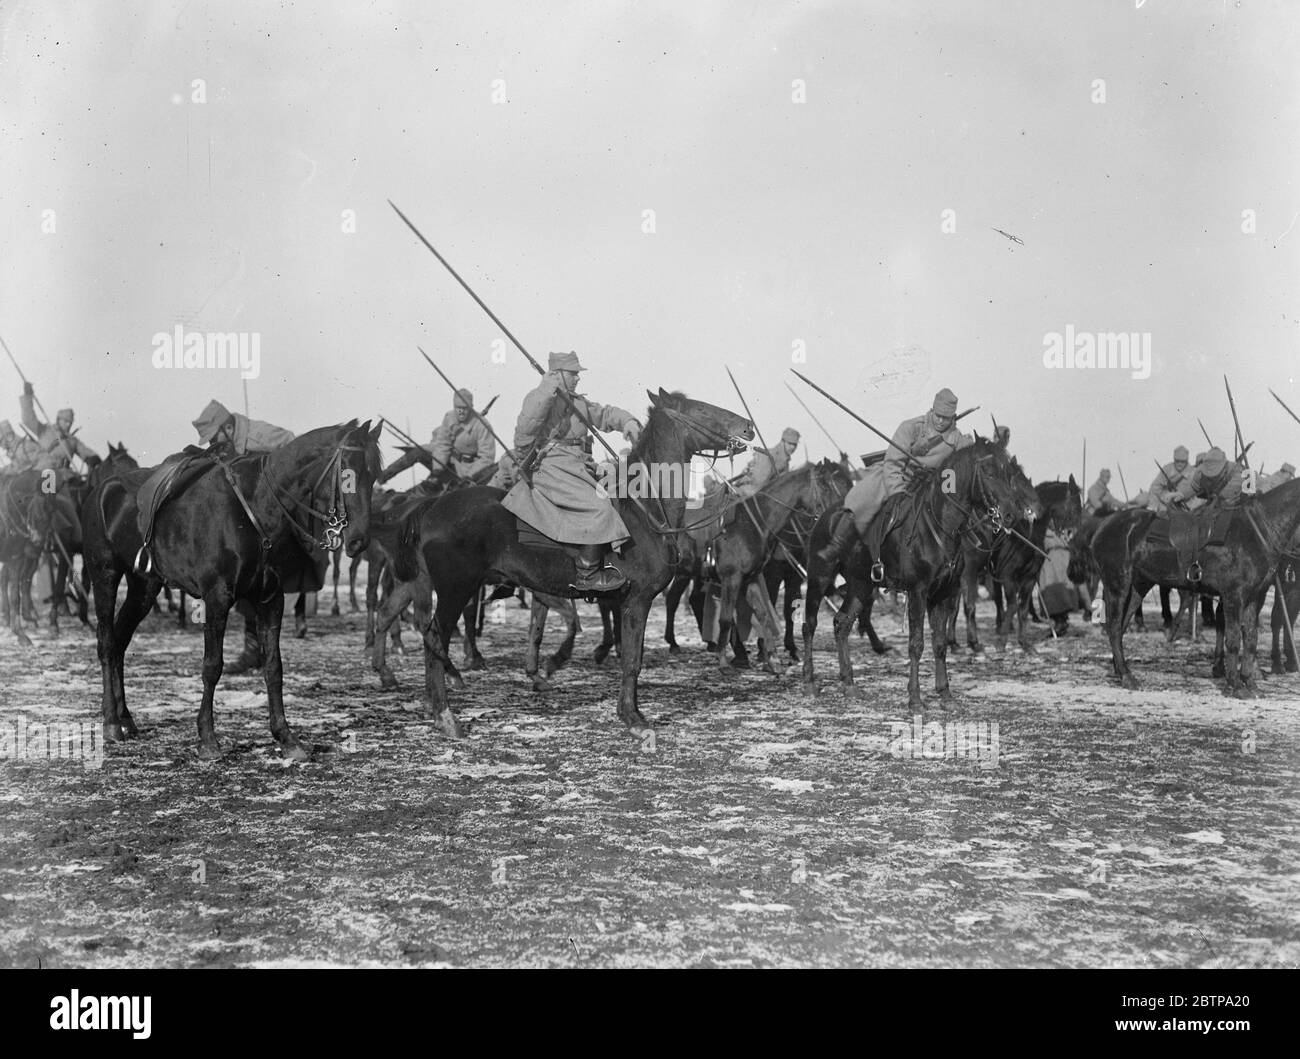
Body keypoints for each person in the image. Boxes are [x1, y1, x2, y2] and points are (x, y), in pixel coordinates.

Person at [501, 351, 642, 592]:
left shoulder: (576, 401)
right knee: (598, 507)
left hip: (578, 465)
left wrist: (627, 421)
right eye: (573, 374)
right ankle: (587, 574)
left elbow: (604, 414)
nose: (578, 378)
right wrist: (547, 391)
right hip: (554, 466)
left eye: (578, 374)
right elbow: (524, 432)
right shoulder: (539, 397)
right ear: (557, 374)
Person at [817, 388, 973, 566]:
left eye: (945, 418)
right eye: (937, 415)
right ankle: (838, 544)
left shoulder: (957, 439)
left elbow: (956, 469)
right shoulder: (911, 427)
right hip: (900, 477)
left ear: (953, 417)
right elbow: (893, 462)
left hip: (930, 486)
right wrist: (897, 491)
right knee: (864, 497)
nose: (939, 421)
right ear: (932, 409)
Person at [379, 389, 495, 485]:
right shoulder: (449, 417)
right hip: (446, 461)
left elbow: (486, 458)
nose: (461, 411)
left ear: (471, 407)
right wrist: (437, 470)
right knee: (418, 452)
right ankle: (383, 476)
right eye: (458, 407)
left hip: (467, 469)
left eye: (465, 408)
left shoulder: (482, 425)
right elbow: (443, 445)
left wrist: (469, 476)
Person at [20, 382, 99, 470]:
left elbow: (84, 451)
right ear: (58, 420)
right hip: (43, 471)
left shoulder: (73, 440)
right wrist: (27, 396)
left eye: (70, 422)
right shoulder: (44, 430)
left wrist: (93, 459)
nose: (68, 424)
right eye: (65, 421)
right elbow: (28, 419)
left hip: (64, 474)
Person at [192, 399, 296, 456]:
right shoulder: (230, 446)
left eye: (214, 438)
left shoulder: (260, 437)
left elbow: (295, 446)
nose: (212, 444)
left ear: (229, 429)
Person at [1171, 447, 1242, 510]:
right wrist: (1182, 494)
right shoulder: (1200, 474)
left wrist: (1220, 498)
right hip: (1213, 505)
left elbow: (1233, 493)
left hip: (1234, 506)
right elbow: (1194, 488)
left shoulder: (1235, 471)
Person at [736, 427, 800, 497]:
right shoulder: (769, 456)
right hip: (749, 489)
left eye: (795, 445)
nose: (792, 447)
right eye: (790, 443)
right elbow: (759, 481)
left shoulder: (785, 460)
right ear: (782, 442)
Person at [1147, 445, 1190, 513]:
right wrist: (1153, 505)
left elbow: (1196, 494)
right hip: (1166, 504)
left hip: (1185, 507)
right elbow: (1155, 487)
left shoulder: (1193, 472)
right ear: (1174, 460)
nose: (1179, 464)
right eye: (1177, 461)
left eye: (1182, 462)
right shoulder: (1167, 469)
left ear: (1187, 461)